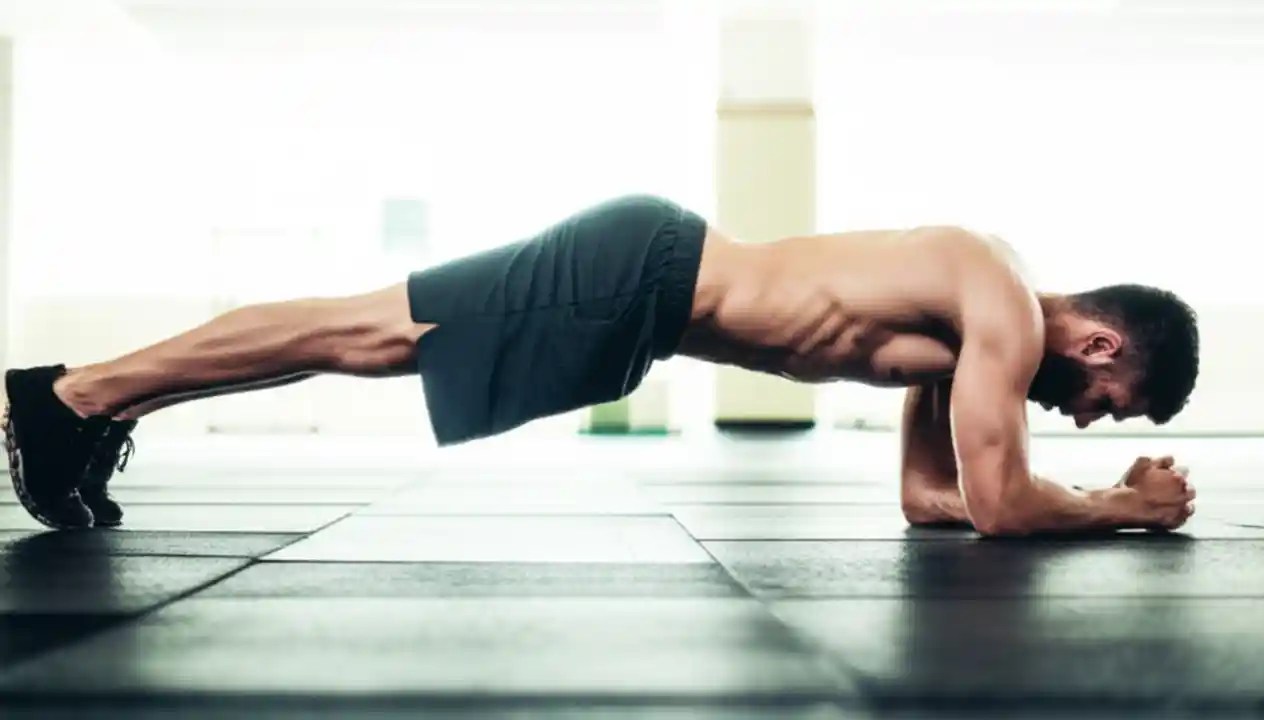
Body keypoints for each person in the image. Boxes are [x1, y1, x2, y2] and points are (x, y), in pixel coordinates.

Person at [3, 194, 1199, 535]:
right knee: (367, 333)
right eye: (1112, 402)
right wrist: (1125, 508)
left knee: (367, 349)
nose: (1090, 422)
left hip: (640, 297)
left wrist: (1075, 500)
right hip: (644, 273)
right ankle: (72, 397)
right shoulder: (999, 305)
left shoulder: (972, 334)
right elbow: (1000, 505)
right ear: (1098, 344)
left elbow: (933, 500)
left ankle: (91, 405)